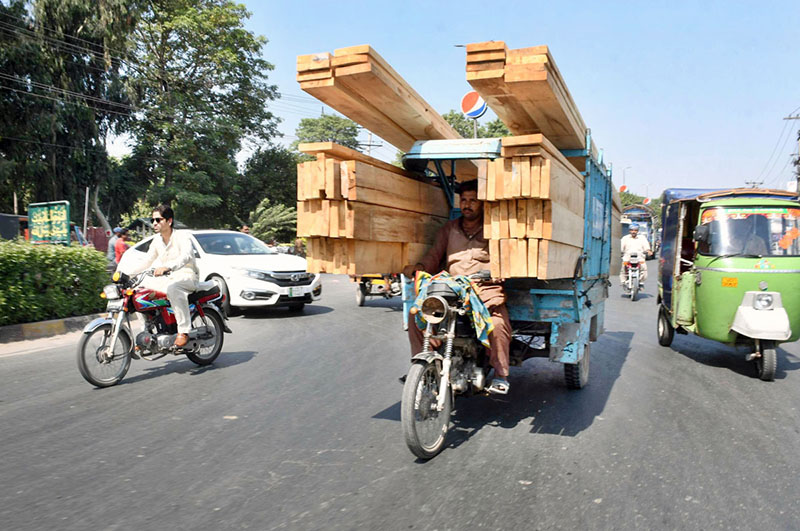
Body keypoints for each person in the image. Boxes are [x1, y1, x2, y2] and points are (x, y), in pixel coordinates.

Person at [402, 179, 512, 395]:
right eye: (464, 200)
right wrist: (419, 268)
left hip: (485, 291)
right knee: (416, 317)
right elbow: (434, 257)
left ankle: (501, 376)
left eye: (473, 200)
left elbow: (507, 261)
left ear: (482, 203)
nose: (467, 204)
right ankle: (422, 366)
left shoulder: (494, 231)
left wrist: (499, 273)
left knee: (498, 325)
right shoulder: (449, 229)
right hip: (452, 290)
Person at [122, 205, 198, 348]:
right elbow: (147, 261)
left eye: (158, 219)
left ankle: (184, 331)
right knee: (139, 291)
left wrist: (168, 267)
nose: (154, 223)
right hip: (167, 278)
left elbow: (185, 256)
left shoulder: (181, 236)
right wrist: (126, 274)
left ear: (169, 221)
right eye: (153, 220)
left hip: (187, 276)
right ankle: (146, 331)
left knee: (174, 289)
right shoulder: (157, 240)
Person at [620, 223, 652, 287]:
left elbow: (646, 246)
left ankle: (640, 281)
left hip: (639, 258)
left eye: (635, 230)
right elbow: (621, 247)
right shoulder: (625, 238)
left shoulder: (642, 238)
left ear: (637, 231)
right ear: (629, 231)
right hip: (627, 257)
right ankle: (623, 281)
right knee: (623, 268)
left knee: (644, 269)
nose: (633, 231)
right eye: (632, 230)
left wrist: (648, 250)